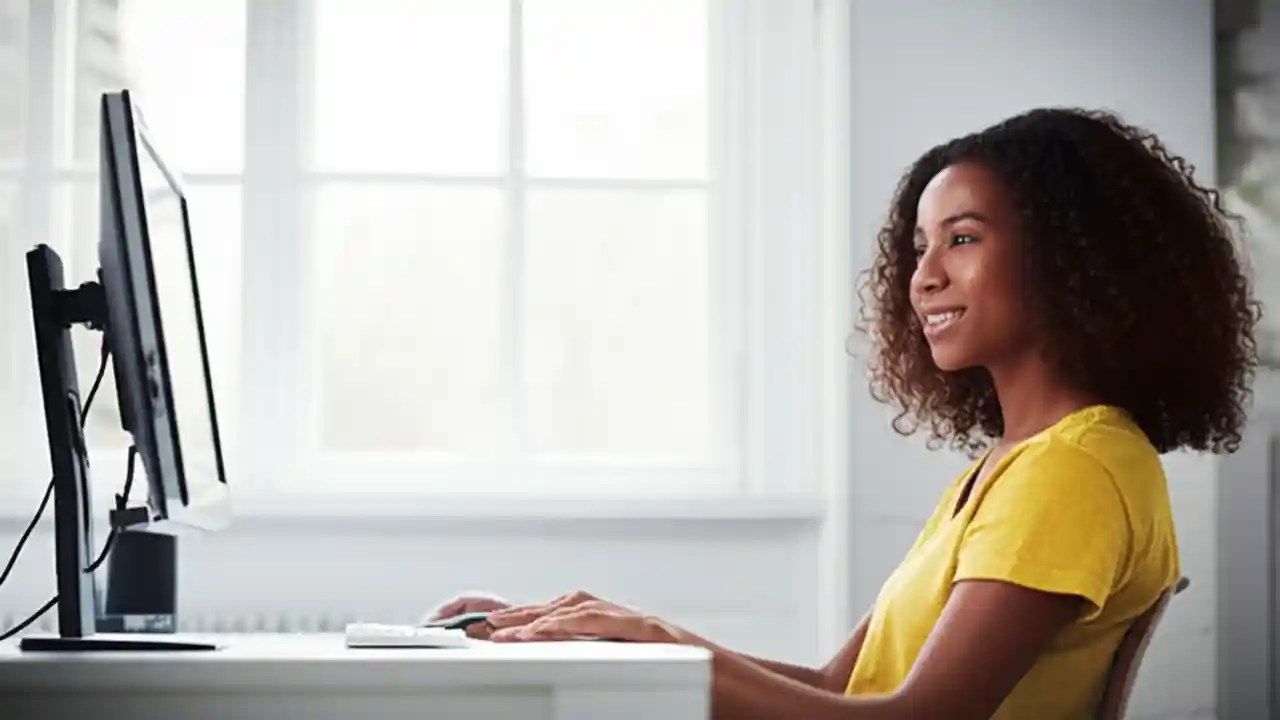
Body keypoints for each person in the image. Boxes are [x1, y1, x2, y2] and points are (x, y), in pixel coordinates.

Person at [428, 108, 1261, 719]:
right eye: (918, 247)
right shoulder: (1014, 466)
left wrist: (650, 639)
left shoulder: (1073, 471)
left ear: (1074, 255)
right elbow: (837, 690)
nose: (923, 276)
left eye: (962, 239)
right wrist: (612, 639)